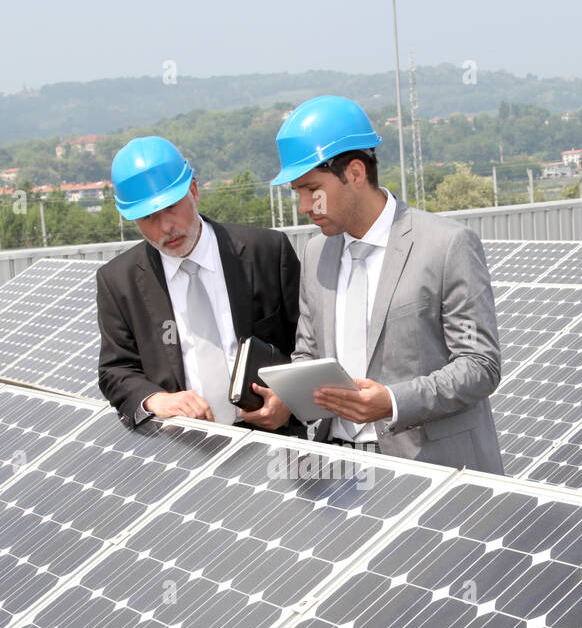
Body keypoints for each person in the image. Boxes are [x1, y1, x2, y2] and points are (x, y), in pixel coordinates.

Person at [271, 96, 504, 472]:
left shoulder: (446, 245)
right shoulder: (316, 254)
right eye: (297, 192)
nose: (304, 206)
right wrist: (286, 394)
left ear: (356, 173)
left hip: (431, 472)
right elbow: (308, 354)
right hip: (339, 470)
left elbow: (480, 366)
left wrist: (394, 402)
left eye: (311, 189)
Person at [97, 136, 297, 432]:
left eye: (172, 207)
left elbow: (309, 343)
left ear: (193, 191)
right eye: (148, 217)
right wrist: (155, 400)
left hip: (275, 439)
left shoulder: (267, 252)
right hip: (182, 445)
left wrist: (289, 398)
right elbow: (115, 370)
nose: (165, 227)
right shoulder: (118, 281)